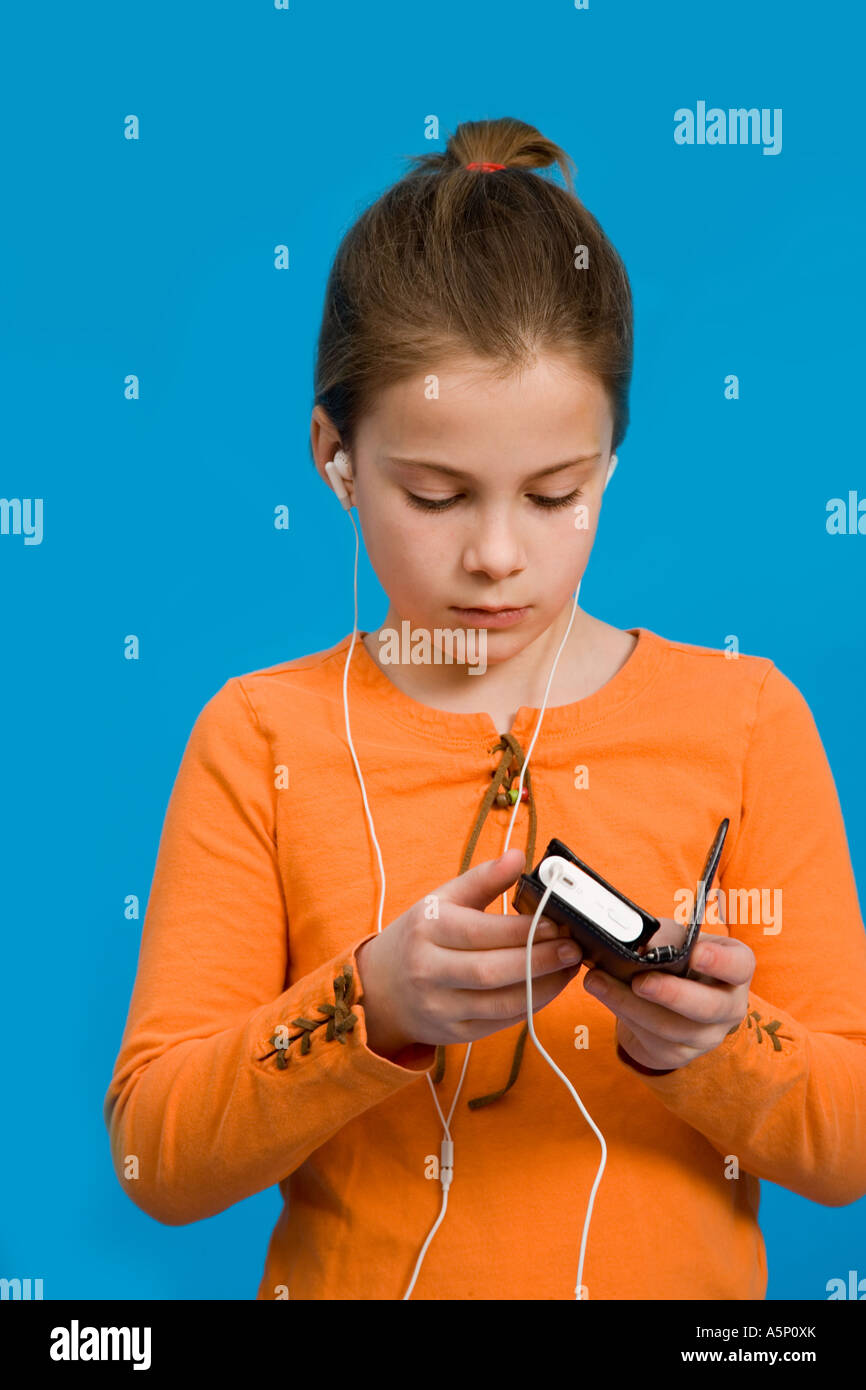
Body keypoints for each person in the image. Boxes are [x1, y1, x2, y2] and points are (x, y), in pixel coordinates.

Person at [103, 117, 866, 1301]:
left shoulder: (747, 719)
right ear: (334, 454)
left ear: (608, 461)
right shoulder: (258, 737)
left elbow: (847, 1143)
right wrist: (371, 1002)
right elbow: (157, 1155)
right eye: (436, 493)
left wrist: (718, 1049)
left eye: (554, 493)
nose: (497, 555)